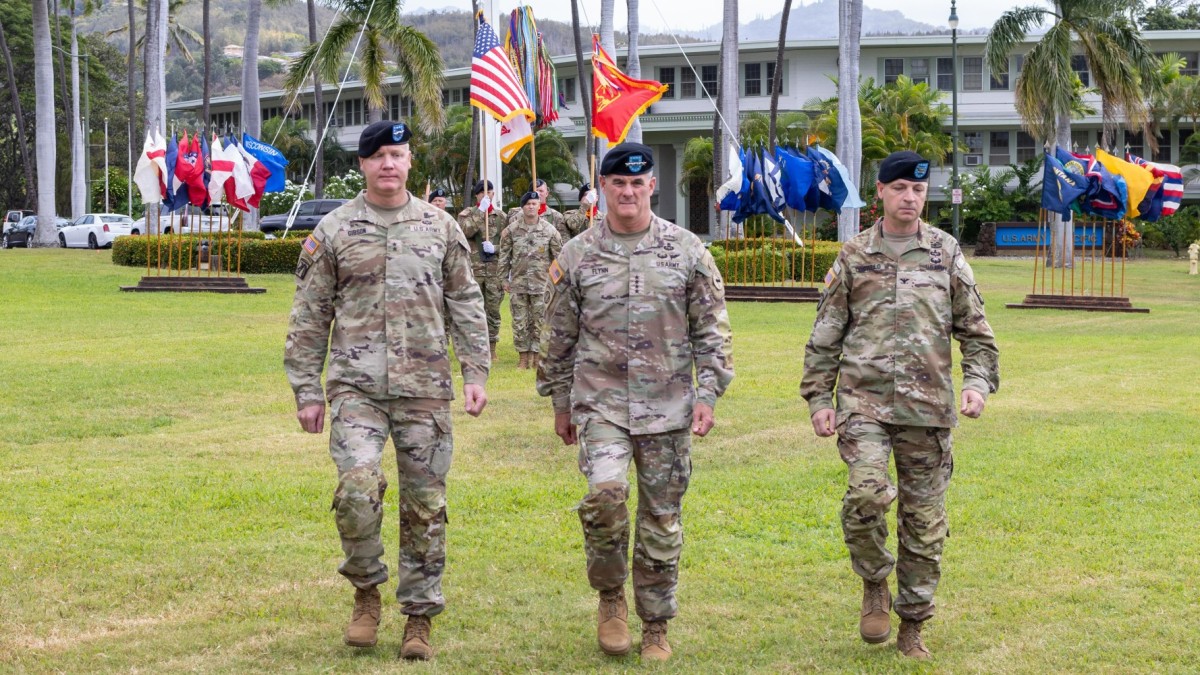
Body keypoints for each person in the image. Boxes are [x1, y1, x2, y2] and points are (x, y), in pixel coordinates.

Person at [285, 119, 491, 661]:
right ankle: (365, 594)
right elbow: (309, 317)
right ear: (362, 165)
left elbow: (466, 303)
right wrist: (306, 390)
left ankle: (419, 617)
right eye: (378, 156)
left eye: (397, 154)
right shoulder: (334, 230)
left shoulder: (440, 227)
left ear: (409, 161)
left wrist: (475, 372)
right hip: (357, 390)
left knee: (425, 506)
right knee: (357, 489)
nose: (388, 165)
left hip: (425, 389)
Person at [536, 142, 734, 662]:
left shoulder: (687, 250)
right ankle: (610, 600)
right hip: (599, 403)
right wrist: (560, 403)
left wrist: (708, 394)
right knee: (605, 498)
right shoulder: (577, 254)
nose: (628, 191)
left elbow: (712, 332)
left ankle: (656, 625)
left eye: (637, 182)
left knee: (661, 520)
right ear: (602, 187)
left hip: (669, 406)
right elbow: (557, 338)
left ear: (652, 187)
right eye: (617, 182)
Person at [800, 150, 999, 660]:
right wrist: (819, 399)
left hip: (928, 410)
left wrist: (976, 382)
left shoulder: (945, 252)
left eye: (918, 190)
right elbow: (826, 336)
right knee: (865, 497)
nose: (910, 198)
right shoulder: (853, 255)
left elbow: (975, 331)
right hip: (863, 405)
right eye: (900, 189)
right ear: (881, 194)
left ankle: (912, 623)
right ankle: (873, 582)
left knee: (924, 524)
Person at [498, 191, 562, 369]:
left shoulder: (549, 230)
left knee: (539, 322)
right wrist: (503, 278)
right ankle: (523, 358)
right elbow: (504, 256)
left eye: (535, 203)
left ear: (539, 206)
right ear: (523, 207)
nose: (531, 206)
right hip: (518, 284)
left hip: (542, 285)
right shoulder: (512, 230)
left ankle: (535, 357)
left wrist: (556, 282)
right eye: (528, 204)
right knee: (520, 323)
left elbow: (559, 259)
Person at [458, 180, 505, 362]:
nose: (486, 195)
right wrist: (480, 211)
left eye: (489, 192)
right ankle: (475, 349)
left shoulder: (501, 216)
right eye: (481, 193)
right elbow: (464, 231)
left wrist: (495, 248)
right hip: (473, 270)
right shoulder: (467, 214)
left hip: (494, 270)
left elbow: (508, 243)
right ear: (476, 195)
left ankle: (492, 349)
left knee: (493, 311)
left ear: (493, 194)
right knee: (473, 311)